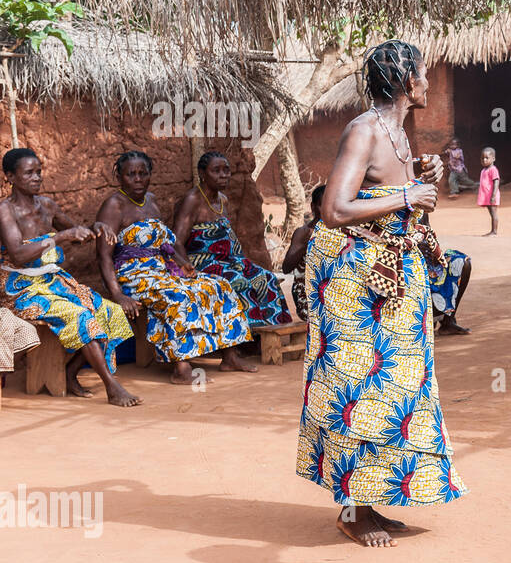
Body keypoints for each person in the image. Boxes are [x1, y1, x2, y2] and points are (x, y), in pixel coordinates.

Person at [297, 39, 465, 548]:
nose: (429, 82)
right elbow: (334, 208)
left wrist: (421, 180)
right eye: (423, 73)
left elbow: (393, 201)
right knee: (353, 383)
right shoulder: (364, 130)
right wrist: (408, 193)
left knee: (393, 384)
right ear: (405, 80)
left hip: (388, 271)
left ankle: (370, 496)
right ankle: (352, 510)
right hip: (353, 274)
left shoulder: (397, 132)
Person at [96, 151, 256, 385]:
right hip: (133, 275)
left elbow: (166, 243)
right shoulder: (113, 206)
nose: (138, 179)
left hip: (162, 270)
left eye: (143, 173)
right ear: (119, 177)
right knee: (177, 297)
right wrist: (117, 294)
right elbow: (103, 255)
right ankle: (181, 367)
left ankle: (229, 356)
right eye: (131, 174)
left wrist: (182, 265)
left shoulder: (150, 200)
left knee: (218, 286)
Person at [0, 148, 139, 406]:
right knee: (80, 316)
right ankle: (112, 386)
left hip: (54, 283)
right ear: (10, 176)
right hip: (21, 289)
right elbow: (18, 255)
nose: (36, 177)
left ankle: (70, 372)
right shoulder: (5, 211)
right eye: (28, 173)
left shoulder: (48, 206)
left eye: (39, 172)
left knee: (109, 312)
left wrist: (94, 228)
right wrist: (60, 238)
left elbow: (75, 230)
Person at [173, 151, 293, 328]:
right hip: (202, 262)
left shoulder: (223, 200)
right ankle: (244, 337)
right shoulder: (192, 200)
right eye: (216, 170)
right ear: (202, 173)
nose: (223, 175)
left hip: (230, 261)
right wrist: (185, 266)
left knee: (267, 278)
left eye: (226, 170)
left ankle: (270, 333)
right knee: (239, 282)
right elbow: (176, 241)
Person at [283, 184, 324, 321]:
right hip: (308, 296)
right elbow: (286, 267)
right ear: (313, 207)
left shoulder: (342, 231)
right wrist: (307, 242)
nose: (328, 209)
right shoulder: (304, 232)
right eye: (322, 205)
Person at [428, 247, 472, 336]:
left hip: (432, 264)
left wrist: (437, 256)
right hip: (412, 265)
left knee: (462, 261)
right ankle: (427, 320)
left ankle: (448, 321)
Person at [478, 147, 500, 236]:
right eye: (482, 158)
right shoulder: (483, 170)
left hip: (492, 196)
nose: (484, 160)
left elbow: (496, 181)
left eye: (487, 158)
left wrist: (493, 195)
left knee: (494, 213)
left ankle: (494, 232)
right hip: (486, 196)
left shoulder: (493, 169)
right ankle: (492, 231)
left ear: (493, 159)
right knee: (491, 213)